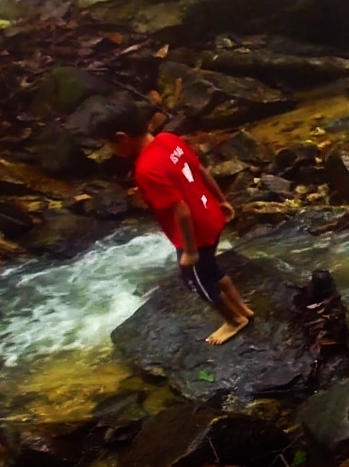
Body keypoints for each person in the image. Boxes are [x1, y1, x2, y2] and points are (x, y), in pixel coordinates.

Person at [93, 94, 254, 345]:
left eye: (109, 144)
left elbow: (181, 210)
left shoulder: (146, 169)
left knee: (196, 281)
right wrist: (221, 200)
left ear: (122, 138)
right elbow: (200, 170)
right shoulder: (170, 139)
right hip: (210, 215)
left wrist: (189, 252)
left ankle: (234, 321)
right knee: (212, 269)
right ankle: (243, 309)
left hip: (195, 233)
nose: (111, 151)